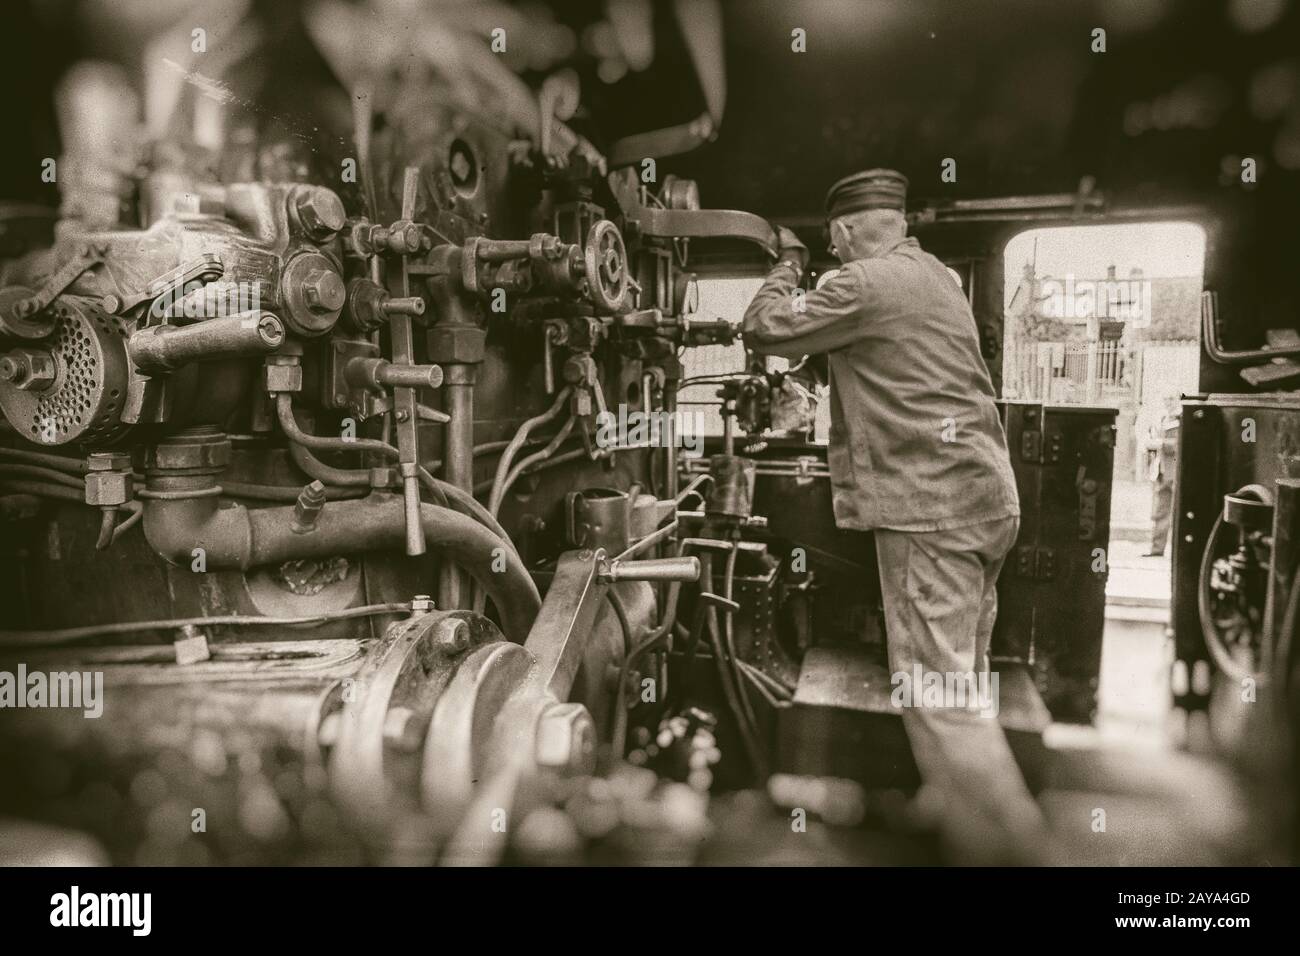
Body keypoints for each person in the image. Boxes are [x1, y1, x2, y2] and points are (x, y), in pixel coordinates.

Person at [741, 169, 1050, 861]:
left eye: (829, 241)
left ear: (844, 232)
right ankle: (954, 813)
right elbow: (893, 359)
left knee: (937, 696)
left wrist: (790, 264)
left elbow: (763, 328)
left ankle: (1013, 852)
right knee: (959, 681)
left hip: (930, 511)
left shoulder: (862, 281)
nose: (831, 249)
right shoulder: (936, 276)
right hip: (983, 501)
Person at [1143, 396, 1181, 557]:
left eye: (1171, 399)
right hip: (1162, 470)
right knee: (1161, 511)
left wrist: (1161, 444)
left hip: (1175, 470)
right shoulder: (1163, 418)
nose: (1168, 402)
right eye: (1165, 399)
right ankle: (1157, 549)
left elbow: (1181, 444)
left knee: (1176, 512)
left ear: (1178, 400)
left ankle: (1178, 551)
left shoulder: (1181, 419)